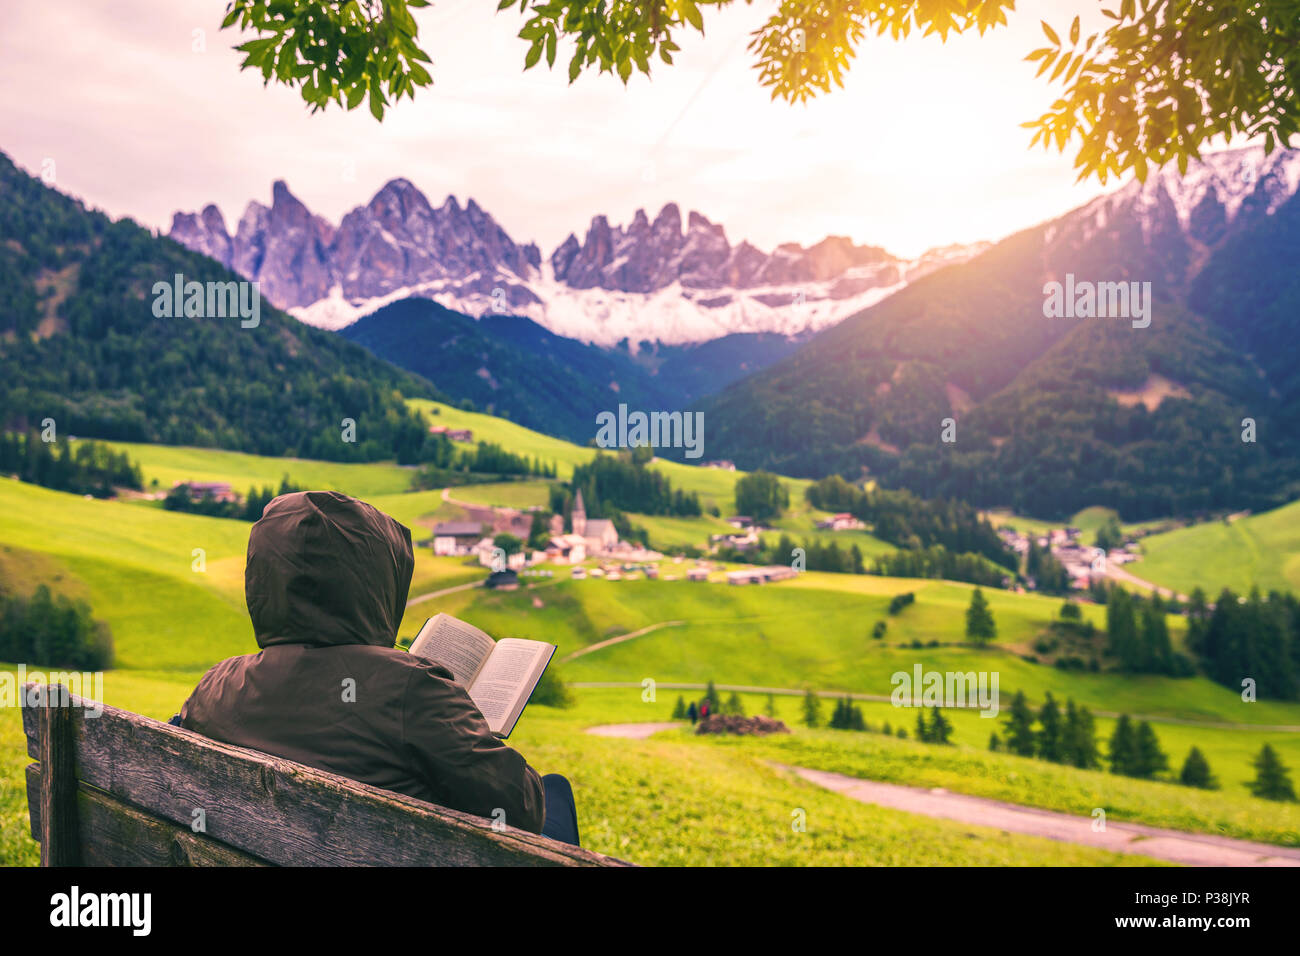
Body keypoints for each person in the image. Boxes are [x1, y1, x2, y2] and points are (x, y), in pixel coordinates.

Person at [173, 490, 579, 846]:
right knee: (552, 790)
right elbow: (520, 809)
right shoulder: (411, 689)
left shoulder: (218, 684)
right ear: (377, 583)